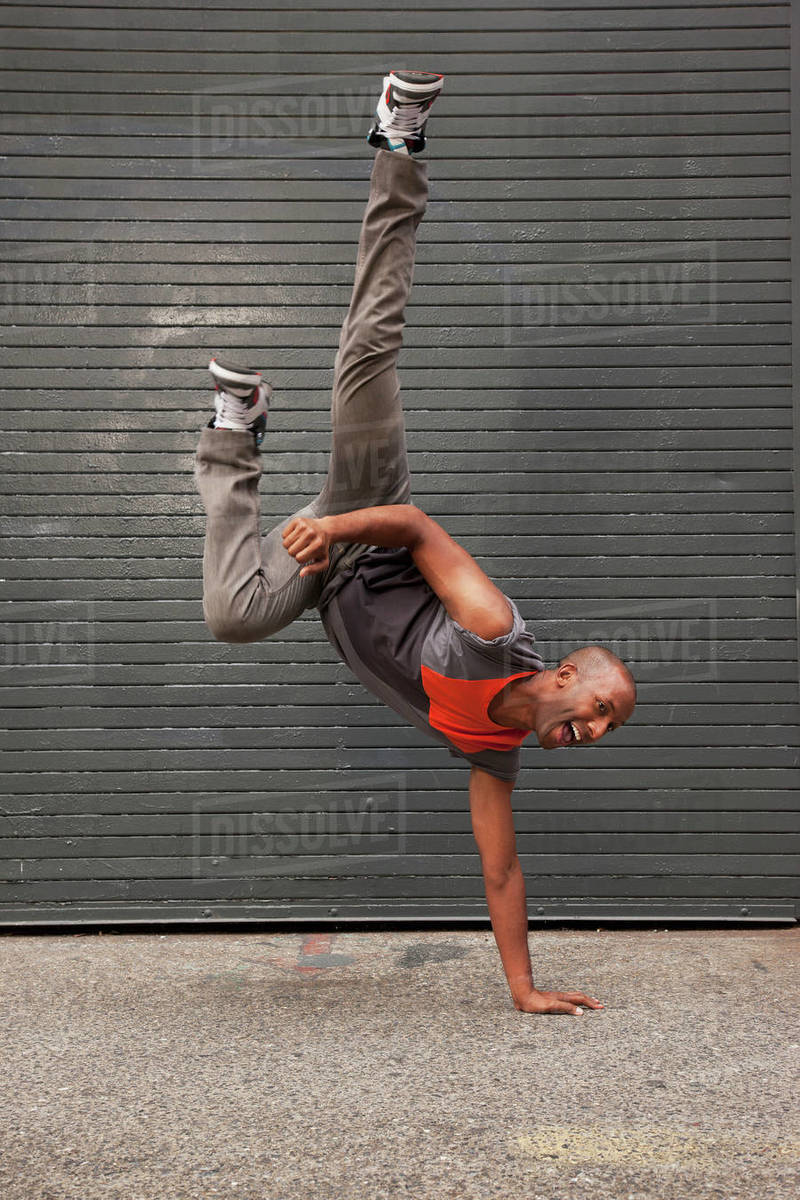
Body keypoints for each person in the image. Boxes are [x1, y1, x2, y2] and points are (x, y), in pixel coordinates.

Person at [194, 71, 637, 1016]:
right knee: (366, 350)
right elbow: (415, 528)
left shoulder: (496, 750)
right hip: (373, 521)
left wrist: (523, 990)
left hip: (327, 584)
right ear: (563, 674)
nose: (592, 733)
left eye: (604, 731)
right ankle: (400, 143)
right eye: (599, 710)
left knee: (231, 614)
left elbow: (503, 868)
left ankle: (236, 429)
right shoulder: (492, 628)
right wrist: (337, 522)